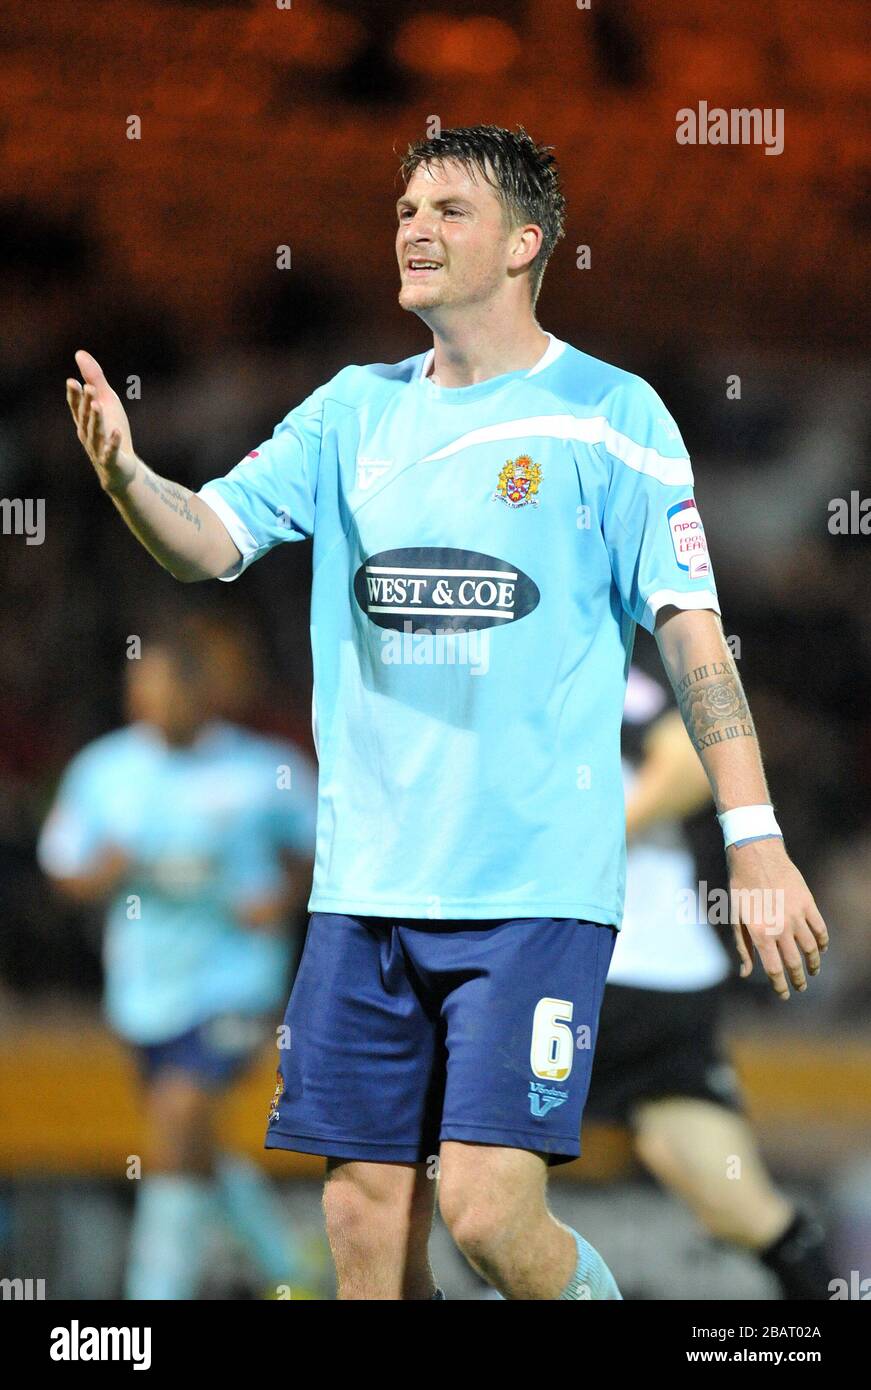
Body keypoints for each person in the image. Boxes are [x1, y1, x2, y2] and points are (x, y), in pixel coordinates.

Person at [64, 123, 828, 1301]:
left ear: (526, 244)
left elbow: (691, 639)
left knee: (483, 1212)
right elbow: (207, 542)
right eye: (405, 209)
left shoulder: (609, 417)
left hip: (531, 895)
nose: (413, 228)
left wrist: (754, 834)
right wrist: (127, 478)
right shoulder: (350, 413)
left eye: (448, 210)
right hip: (363, 890)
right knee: (362, 1218)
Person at [38, 622, 317, 1299]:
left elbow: (318, 847)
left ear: (200, 694)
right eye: (140, 689)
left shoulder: (260, 771)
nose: (148, 703)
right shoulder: (105, 771)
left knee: (180, 1116)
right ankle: (291, 1265)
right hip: (145, 987)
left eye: (162, 689)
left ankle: (152, 1297)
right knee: (188, 1140)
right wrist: (101, 873)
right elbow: (62, 867)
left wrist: (279, 898)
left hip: (235, 981)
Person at [583, 663, 834, 1299]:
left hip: (601, 965)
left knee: (479, 1170)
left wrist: (588, 845)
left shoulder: (590, 664)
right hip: (658, 974)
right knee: (732, 1199)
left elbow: (690, 761)